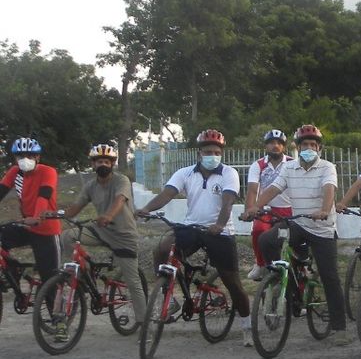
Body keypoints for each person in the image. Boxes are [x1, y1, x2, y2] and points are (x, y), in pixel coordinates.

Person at [137, 130, 253, 347]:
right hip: (191, 228)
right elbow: (167, 194)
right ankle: (169, 297)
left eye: (217, 152)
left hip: (220, 232)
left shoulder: (229, 173)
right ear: (199, 153)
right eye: (208, 151)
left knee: (233, 283)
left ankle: (247, 327)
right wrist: (146, 208)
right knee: (162, 249)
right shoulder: (185, 173)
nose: (212, 155)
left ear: (222, 153)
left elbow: (227, 202)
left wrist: (219, 225)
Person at [242, 124, 351, 346]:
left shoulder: (327, 167)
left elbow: (329, 190)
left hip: (322, 227)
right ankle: (285, 282)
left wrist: (324, 209)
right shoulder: (289, 169)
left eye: (313, 145)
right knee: (267, 239)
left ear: (319, 148)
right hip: (298, 224)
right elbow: (273, 188)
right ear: (298, 148)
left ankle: (339, 327)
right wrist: (254, 208)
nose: (308, 148)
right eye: (304, 145)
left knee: (330, 277)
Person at [56, 144, 147, 333]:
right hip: (101, 230)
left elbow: (119, 200)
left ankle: (145, 324)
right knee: (68, 236)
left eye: (107, 161)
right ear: (93, 164)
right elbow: (76, 207)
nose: (102, 164)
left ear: (112, 164)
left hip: (124, 235)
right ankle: (84, 271)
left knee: (133, 282)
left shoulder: (121, 180)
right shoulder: (91, 185)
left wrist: (108, 216)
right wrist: (58, 215)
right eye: (99, 161)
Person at [0, 137, 62, 288]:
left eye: (29, 155)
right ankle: (13, 270)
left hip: (47, 230)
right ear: (15, 158)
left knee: (49, 280)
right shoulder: (15, 172)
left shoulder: (48, 171)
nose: (24, 159)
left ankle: (56, 309)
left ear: (37, 157)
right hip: (27, 227)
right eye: (20, 156)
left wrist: (37, 217)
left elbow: (44, 196)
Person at [244, 129, 293, 281]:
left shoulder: (292, 163)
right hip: (266, 209)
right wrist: (250, 210)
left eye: (279, 143)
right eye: (271, 143)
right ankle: (260, 264)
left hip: (290, 209)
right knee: (259, 230)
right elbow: (252, 190)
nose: (275, 146)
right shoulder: (258, 165)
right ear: (266, 146)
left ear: (284, 147)